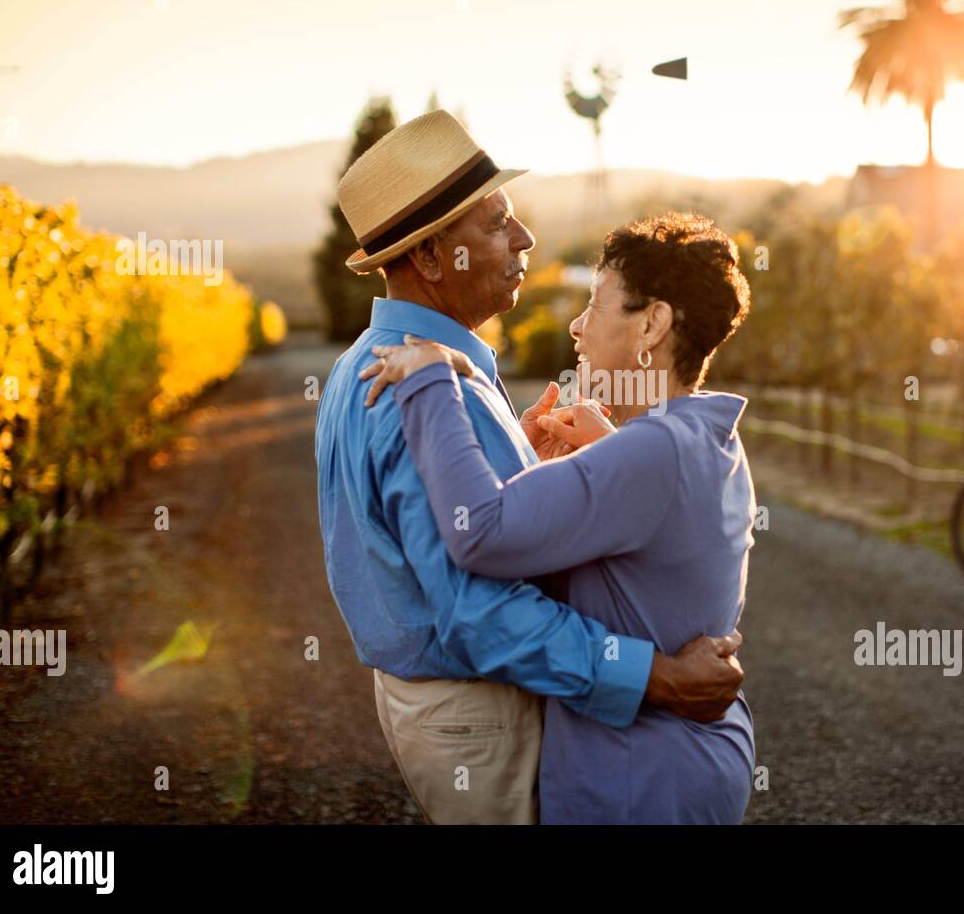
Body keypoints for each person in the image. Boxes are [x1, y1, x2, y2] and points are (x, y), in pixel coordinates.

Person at [314, 111, 743, 825]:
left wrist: (525, 470)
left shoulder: (364, 366)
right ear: (429, 259)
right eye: (496, 224)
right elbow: (475, 612)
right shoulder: (418, 389)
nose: (526, 240)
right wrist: (657, 679)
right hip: (479, 712)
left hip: (444, 707)